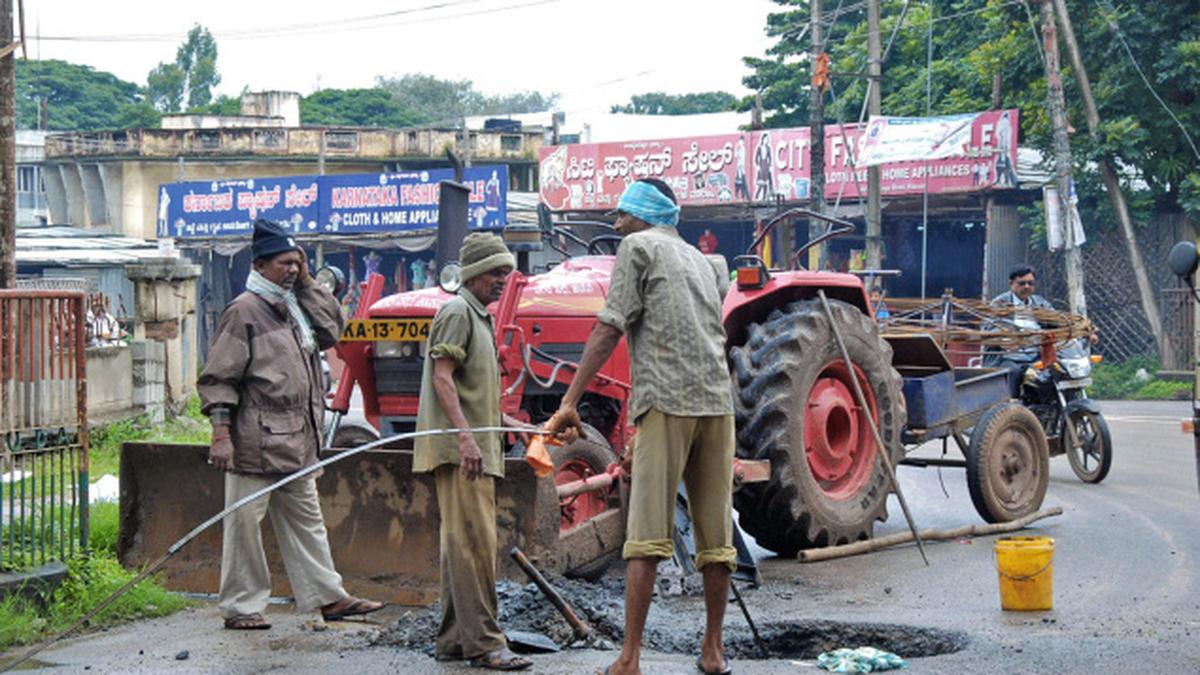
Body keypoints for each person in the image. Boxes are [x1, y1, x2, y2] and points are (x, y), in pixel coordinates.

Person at [546, 178, 737, 675]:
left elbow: (610, 326)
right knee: (716, 535)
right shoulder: (706, 262)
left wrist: (569, 401)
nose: (616, 225)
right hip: (717, 405)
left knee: (645, 535)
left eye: (622, 215)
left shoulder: (637, 247)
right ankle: (713, 652)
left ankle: (628, 659)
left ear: (643, 215)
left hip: (667, 401)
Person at [198, 219, 384, 631]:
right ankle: (242, 606)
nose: (292, 269)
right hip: (253, 441)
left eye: (297, 262)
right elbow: (218, 379)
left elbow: (334, 329)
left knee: (308, 522)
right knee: (245, 527)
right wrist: (220, 434)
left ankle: (327, 597)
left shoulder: (292, 306)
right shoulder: (244, 312)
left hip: (297, 440)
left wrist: (305, 284)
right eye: (285, 263)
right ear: (260, 265)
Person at [413, 232, 532, 671]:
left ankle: (453, 641)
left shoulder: (477, 314)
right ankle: (484, 644)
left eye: (506, 272)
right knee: (475, 548)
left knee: (461, 548)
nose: (503, 280)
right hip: (462, 452)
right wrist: (465, 437)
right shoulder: (457, 311)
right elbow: (443, 378)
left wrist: (509, 422)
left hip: (476, 445)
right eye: (496, 273)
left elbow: (471, 388)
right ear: (474, 273)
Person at [988, 264, 1055, 396]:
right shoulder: (999, 304)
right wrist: (1004, 339)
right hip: (1009, 357)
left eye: (1030, 283)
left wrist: (1086, 331)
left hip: (1036, 355)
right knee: (1012, 372)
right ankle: (1011, 408)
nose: (1027, 287)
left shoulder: (1040, 303)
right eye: (1022, 283)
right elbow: (988, 329)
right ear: (1011, 283)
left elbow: (1059, 320)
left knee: (1058, 371)